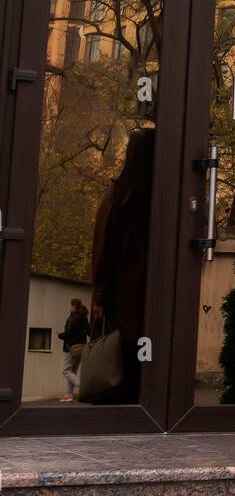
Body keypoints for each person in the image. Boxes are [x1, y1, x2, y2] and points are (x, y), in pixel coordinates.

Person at [89, 126, 155, 403]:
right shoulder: (144, 196)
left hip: (127, 293)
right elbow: (107, 246)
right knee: (134, 360)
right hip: (140, 293)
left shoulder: (123, 194)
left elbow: (105, 247)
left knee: (128, 357)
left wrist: (101, 294)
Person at [58, 297, 90, 400]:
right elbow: (88, 331)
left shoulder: (72, 319)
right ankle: (69, 394)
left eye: (70, 305)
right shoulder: (84, 318)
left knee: (66, 371)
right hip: (81, 348)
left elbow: (68, 333)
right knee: (73, 371)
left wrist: (60, 335)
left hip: (71, 348)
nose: (69, 307)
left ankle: (83, 386)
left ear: (73, 307)